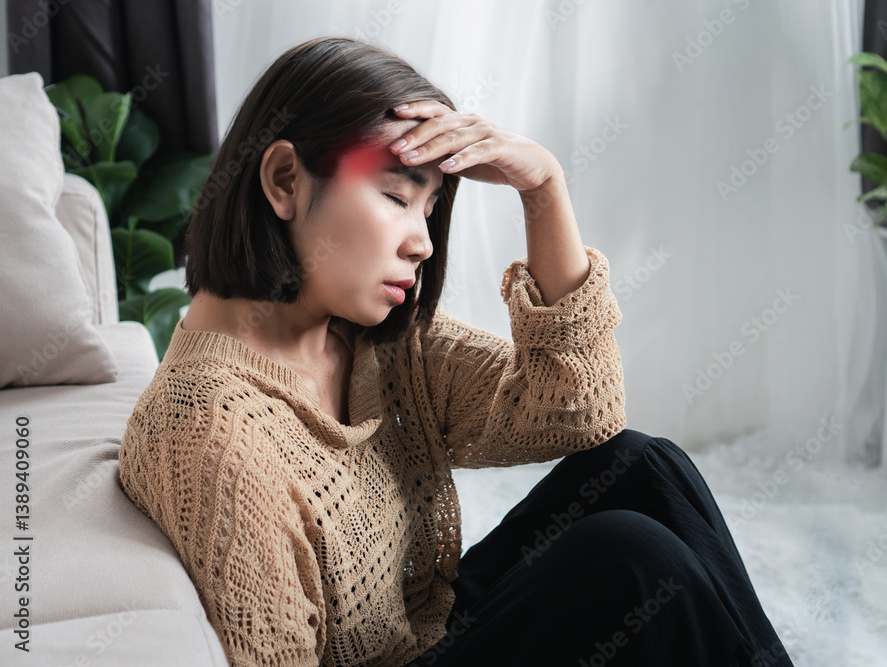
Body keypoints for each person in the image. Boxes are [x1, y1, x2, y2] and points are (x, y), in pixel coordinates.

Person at [118, 36, 792, 667]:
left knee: (642, 464)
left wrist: (543, 190)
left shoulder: (363, 339)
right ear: (286, 179)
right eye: (393, 196)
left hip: (436, 629)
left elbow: (580, 413)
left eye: (430, 208)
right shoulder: (210, 429)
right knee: (628, 558)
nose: (423, 243)